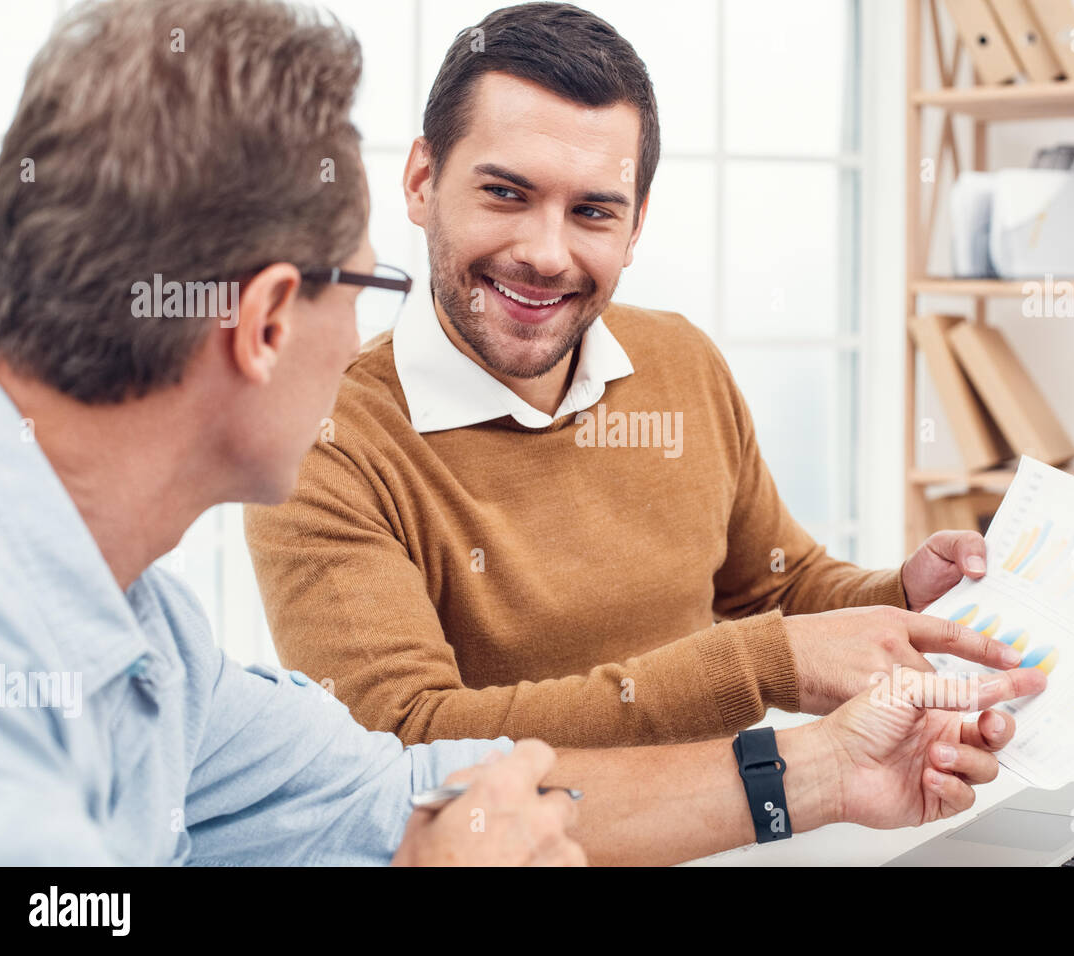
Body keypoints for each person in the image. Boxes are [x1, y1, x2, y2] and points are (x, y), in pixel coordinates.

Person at [0, 0, 1043, 867]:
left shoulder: (154, 642)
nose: (361, 331)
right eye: (365, 281)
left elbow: (399, 795)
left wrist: (825, 769)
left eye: (592, 209)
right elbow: (417, 755)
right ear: (263, 322)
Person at [245, 1, 1021, 750]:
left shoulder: (681, 362)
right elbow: (405, 745)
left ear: (637, 223)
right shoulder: (322, 435)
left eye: (592, 212)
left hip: (733, 835)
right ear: (421, 182)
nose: (546, 255)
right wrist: (757, 666)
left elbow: (778, 587)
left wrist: (903, 597)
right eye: (506, 193)